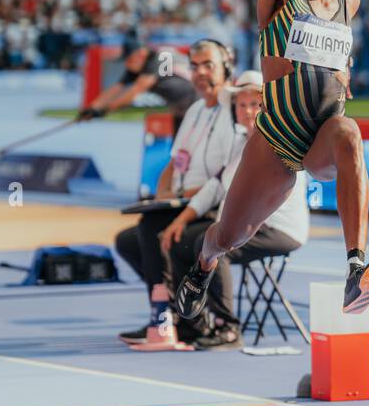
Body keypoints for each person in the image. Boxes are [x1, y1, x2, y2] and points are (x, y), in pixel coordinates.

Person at [173, 0, 369, 321]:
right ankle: (202, 265)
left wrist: (341, 75)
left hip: (322, 135)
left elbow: (336, 60)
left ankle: (355, 267)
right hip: (278, 140)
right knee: (230, 235)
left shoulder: (349, 2)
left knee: (350, 133)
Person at [159, 69, 311, 351]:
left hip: (279, 228)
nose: (247, 111)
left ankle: (229, 328)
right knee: (183, 240)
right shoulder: (240, 143)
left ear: (266, 108)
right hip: (248, 225)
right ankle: (193, 323)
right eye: (241, 105)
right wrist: (181, 219)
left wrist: (227, 227)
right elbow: (215, 186)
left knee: (215, 247)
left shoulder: (279, 142)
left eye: (254, 104)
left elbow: (263, 198)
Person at [116, 39, 237, 349]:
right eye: (194, 67)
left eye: (208, 65)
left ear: (226, 67)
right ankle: (175, 314)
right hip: (184, 201)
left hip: (218, 208)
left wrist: (180, 200)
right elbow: (173, 164)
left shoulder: (235, 110)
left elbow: (225, 178)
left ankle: (170, 319)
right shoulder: (195, 109)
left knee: (156, 231)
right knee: (129, 240)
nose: (200, 73)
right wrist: (163, 199)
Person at [80, 31, 197, 131]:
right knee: (178, 149)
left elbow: (134, 91)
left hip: (197, 104)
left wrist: (104, 111)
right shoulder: (137, 67)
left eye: (129, 59)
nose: (127, 64)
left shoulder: (161, 58)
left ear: (140, 53)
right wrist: (92, 108)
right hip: (181, 111)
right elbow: (115, 89)